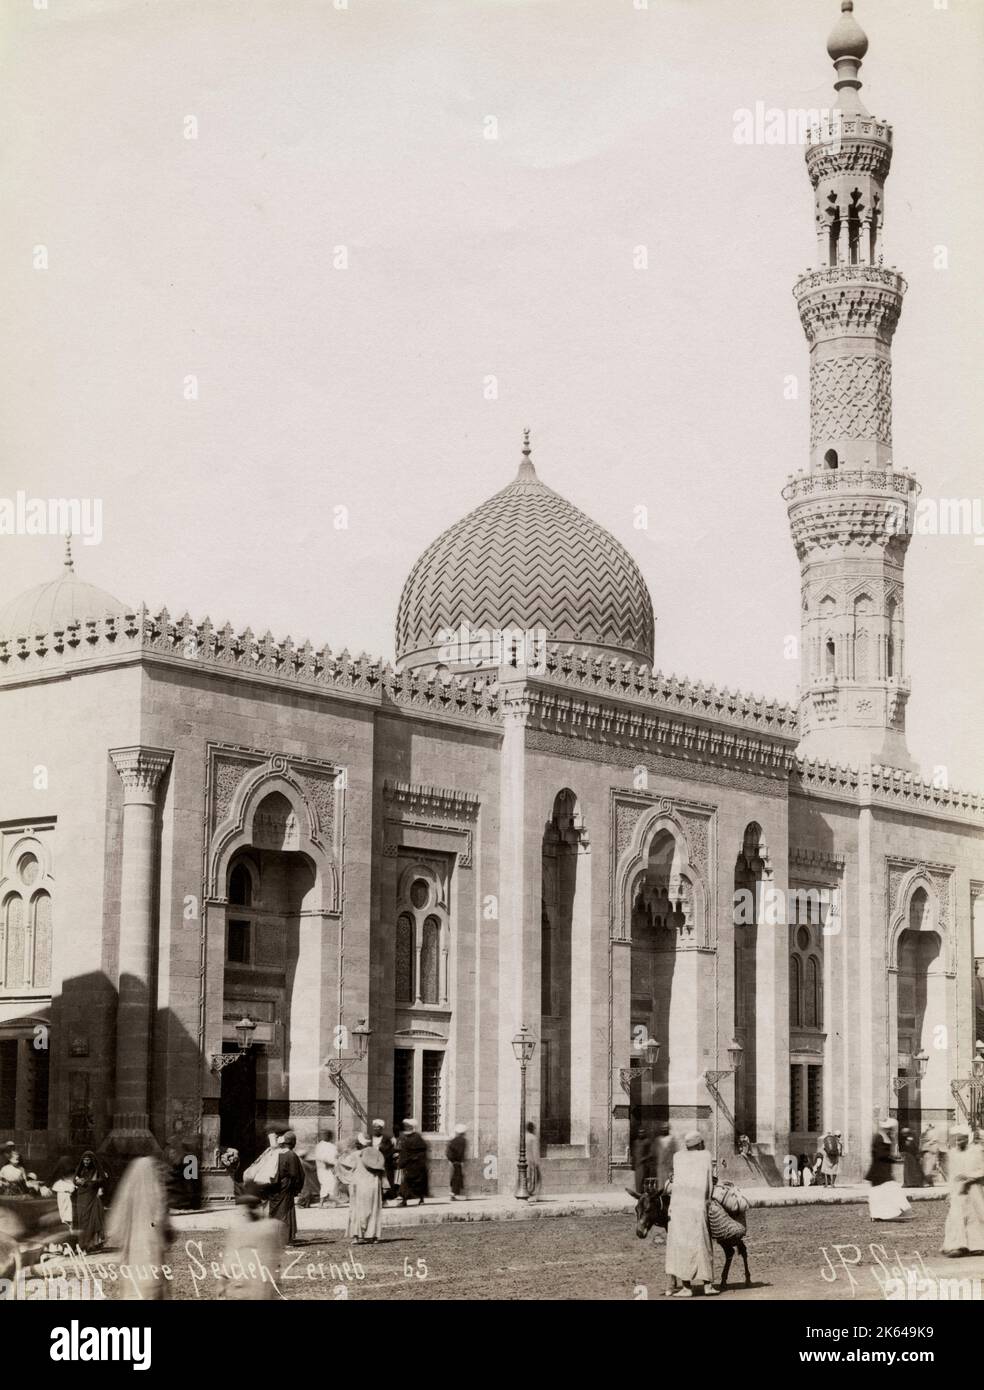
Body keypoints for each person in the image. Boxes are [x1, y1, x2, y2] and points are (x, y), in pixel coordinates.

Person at [106, 1156, 173, 1300]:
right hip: (151, 1247)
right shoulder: (157, 1194)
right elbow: (164, 1225)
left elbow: (116, 1227)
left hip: (133, 1248)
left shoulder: (130, 1195)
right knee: (152, 1285)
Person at [664, 1131, 717, 1297]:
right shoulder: (706, 1156)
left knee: (680, 1246)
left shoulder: (678, 1157)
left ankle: (686, 1287)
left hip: (679, 1207)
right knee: (703, 1245)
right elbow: (709, 1183)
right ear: (700, 1144)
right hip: (697, 1206)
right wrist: (707, 1200)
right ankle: (708, 1285)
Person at [218, 1184, 286, 1299]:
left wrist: (222, 1281)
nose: (250, 1209)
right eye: (249, 1206)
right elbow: (230, 1257)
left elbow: (276, 1259)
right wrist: (222, 1280)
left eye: (253, 1205)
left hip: (258, 1286)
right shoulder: (274, 1227)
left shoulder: (272, 1228)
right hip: (248, 1286)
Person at [942, 1127, 984, 1256]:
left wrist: (969, 1178)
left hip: (973, 1189)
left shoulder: (977, 1151)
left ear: (967, 1139)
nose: (959, 1142)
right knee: (957, 1216)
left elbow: (982, 1169)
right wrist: (950, 1191)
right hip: (958, 1190)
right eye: (957, 1139)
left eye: (962, 1139)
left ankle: (977, 1245)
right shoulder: (953, 1153)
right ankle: (957, 1245)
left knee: (975, 1216)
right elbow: (951, 1174)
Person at [866, 1119, 911, 1221]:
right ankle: (897, 1212)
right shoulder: (878, 1137)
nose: (891, 1131)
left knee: (882, 1193)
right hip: (878, 1171)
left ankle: (882, 1215)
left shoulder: (884, 1137)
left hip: (882, 1170)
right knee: (887, 1191)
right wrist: (892, 1157)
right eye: (890, 1129)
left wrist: (891, 1158)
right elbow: (879, 1154)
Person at [267, 1130, 305, 1246]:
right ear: (293, 1143)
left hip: (274, 1187)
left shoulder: (276, 1154)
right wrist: (297, 1188)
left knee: (275, 1212)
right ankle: (286, 1239)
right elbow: (296, 1174)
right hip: (285, 1187)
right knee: (286, 1211)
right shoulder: (291, 1155)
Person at [346, 1134, 385, 1244]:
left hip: (360, 1185)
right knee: (373, 1209)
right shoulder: (376, 1153)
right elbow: (382, 1170)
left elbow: (345, 1166)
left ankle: (357, 1235)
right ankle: (373, 1235)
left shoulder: (355, 1155)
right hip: (373, 1185)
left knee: (358, 1209)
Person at [73, 1151, 107, 1250]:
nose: (86, 1162)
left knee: (89, 1219)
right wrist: (78, 1181)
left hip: (90, 1195)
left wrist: (89, 1182)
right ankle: (83, 1243)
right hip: (81, 1196)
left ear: (92, 1160)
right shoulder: (80, 1168)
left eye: (88, 1160)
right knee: (82, 1219)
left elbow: (103, 1180)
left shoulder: (96, 1169)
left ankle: (90, 1244)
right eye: (84, 1160)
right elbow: (74, 1180)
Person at [397, 1119, 429, 1207]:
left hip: (413, 1166)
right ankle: (419, 1199)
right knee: (416, 1183)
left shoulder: (412, 1139)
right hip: (415, 1165)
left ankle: (405, 1201)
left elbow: (407, 1154)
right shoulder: (415, 1138)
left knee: (408, 1183)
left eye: (408, 1126)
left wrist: (401, 1163)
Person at [370, 1119, 398, 1201]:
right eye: (374, 1127)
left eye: (378, 1127)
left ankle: (385, 1197)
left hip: (384, 1163)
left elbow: (390, 1151)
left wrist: (381, 1151)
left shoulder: (386, 1139)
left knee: (385, 1181)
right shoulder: (370, 1138)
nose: (376, 1129)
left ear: (381, 1128)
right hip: (372, 1163)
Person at [314, 1129, 340, 1207]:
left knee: (328, 1185)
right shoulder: (322, 1146)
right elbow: (320, 1157)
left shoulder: (328, 1146)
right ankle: (324, 1202)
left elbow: (335, 1157)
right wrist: (329, 1163)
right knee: (328, 1184)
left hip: (327, 1168)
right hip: (324, 1168)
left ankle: (325, 1202)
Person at [51, 1159, 77, 1227]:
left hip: (69, 1199)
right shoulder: (59, 1183)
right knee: (63, 1214)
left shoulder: (72, 1182)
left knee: (69, 1214)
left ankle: (70, 1228)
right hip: (61, 1199)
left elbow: (74, 1188)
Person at [446, 1123, 467, 1200]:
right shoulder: (463, 1141)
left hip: (453, 1161)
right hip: (458, 1162)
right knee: (457, 1177)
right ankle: (454, 1194)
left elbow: (448, 1151)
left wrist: (451, 1159)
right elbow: (461, 1152)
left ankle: (454, 1193)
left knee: (454, 1177)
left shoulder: (453, 1140)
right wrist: (461, 1161)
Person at [524, 1120, 541, 1199]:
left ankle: (525, 1192)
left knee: (525, 1178)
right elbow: (535, 1151)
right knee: (534, 1179)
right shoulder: (532, 1138)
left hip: (523, 1161)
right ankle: (532, 1195)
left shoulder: (523, 1137)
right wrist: (537, 1163)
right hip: (531, 1161)